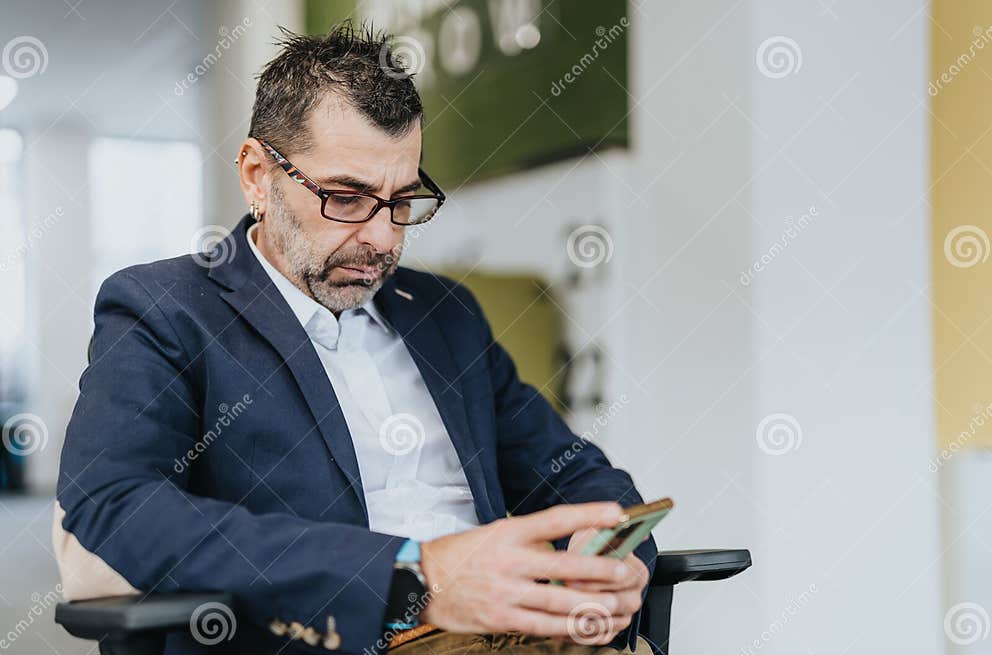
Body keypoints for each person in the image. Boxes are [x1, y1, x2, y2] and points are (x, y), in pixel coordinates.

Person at [53, 23, 655, 655]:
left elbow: (571, 470)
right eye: (346, 197)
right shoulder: (168, 308)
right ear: (258, 176)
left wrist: (616, 552)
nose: (383, 239)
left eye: (403, 200)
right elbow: (115, 502)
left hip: (516, 632)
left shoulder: (444, 314)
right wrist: (410, 576)